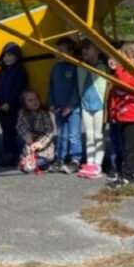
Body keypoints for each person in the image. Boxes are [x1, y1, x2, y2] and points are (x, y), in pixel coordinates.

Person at [106, 41, 134, 187]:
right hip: (122, 116)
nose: (124, 60)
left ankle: (130, 175)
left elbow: (128, 84)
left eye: (127, 57)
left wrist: (119, 69)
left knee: (131, 148)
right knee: (129, 147)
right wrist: (113, 113)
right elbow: (115, 96)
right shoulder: (122, 72)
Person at [47, 37, 82, 173]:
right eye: (57, 51)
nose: (58, 54)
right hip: (58, 107)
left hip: (73, 109)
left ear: (71, 52)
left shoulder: (75, 68)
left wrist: (70, 106)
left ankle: (75, 159)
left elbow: (76, 89)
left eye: (62, 51)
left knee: (74, 134)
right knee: (61, 134)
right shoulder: (54, 69)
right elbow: (51, 87)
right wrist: (51, 103)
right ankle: (60, 159)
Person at [76, 39, 109, 179]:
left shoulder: (104, 67)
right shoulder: (80, 67)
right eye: (83, 49)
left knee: (98, 135)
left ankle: (98, 164)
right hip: (85, 105)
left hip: (99, 106)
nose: (85, 51)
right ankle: (89, 162)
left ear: (98, 50)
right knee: (89, 135)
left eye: (88, 48)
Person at [0, 42, 28, 165]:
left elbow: (19, 88)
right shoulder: (2, 71)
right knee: (5, 131)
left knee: (14, 131)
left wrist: (9, 102)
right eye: (5, 56)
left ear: (16, 57)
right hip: (2, 106)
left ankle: (15, 155)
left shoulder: (20, 71)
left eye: (10, 55)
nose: (7, 58)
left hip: (13, 106)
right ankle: (7, 154)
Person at [17, 90, 56, 174]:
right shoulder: (22, 113)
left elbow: (49, 130)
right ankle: (27, 160)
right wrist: (26, 135)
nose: (34, 102)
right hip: (30, 141)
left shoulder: (44, 113)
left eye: (36, 99)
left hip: (43, 143)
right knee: (20, 140)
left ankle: (37, 163)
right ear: (24, 103)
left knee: (42, 161)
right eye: (30, 100)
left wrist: (40, 143)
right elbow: (20, 126)